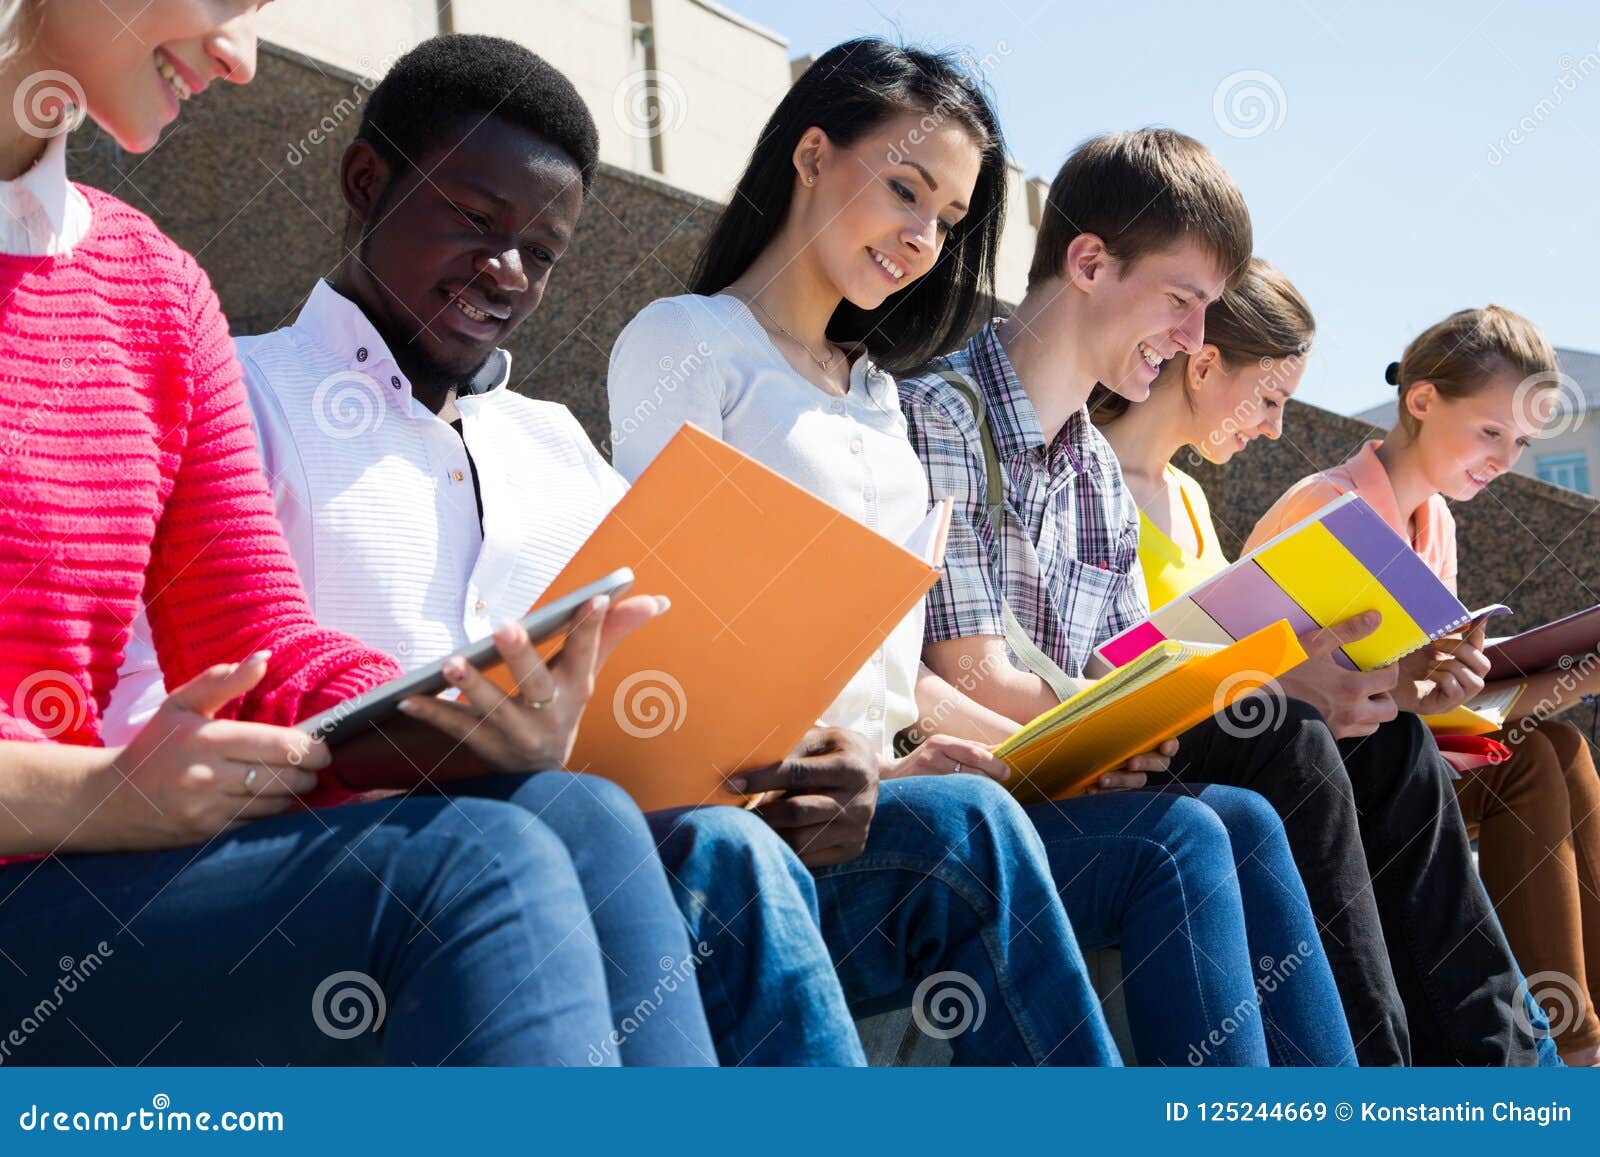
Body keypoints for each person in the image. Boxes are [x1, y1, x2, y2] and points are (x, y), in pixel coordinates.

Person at [104, 33, 1113, 1066]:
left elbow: (664, 706)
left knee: (804, 836)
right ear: (367, 182)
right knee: (665, 847)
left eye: (541, 252)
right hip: (322, 872)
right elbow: (159, 696)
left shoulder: (556, 451)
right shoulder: (239, 391)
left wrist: (816, 772)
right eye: (473, 220)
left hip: (578, 849)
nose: (507, 271)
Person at [0, 2, 717, 1066]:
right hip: (48, 884)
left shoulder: (151, 289)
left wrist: (456, 719)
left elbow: (264, 646)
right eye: (225, 1)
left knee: (575, 813)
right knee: (480, 866)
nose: (240, 58)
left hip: (78, 892)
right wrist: (93, 791)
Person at [609, 41, 1354, 1066]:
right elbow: (673, 636)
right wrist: (900, 757)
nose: (921, 238)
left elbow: (887, 671)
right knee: (1117, 831)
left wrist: (928, 751)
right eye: (905, 191)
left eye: (948, 220)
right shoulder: (688, 341)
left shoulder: (874, 394)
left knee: (1223, 814)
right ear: (812, 152)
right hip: (767, 813)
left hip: (880, 793)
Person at [898, 130, 1538, 1065]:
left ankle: (1504, 1073)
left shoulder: (1093, 472)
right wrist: (1253, 684)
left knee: (1384, 741)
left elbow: (1131, 664)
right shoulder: (942, 416)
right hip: (1013, 762)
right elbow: (978, 676)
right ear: (1087, 261)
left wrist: (1288, 680)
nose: (1197, 340)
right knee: (1279, 730)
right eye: (1185, 302)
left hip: (1101, 745)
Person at [1245, 303, 1600, 1065]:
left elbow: (1422, 702)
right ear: (1422, 400)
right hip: (1325, 767)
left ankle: (1583, 1032)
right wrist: (1416, 689)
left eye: (1522, 443)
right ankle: (1571, 1050)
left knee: (1560, 747)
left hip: (1403, 751)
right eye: (1491, 431)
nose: (1505, 458)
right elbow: (1282, 681)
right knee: (1536, 764)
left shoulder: (1434, 521)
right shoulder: (1326, 506)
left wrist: (1552, 678)